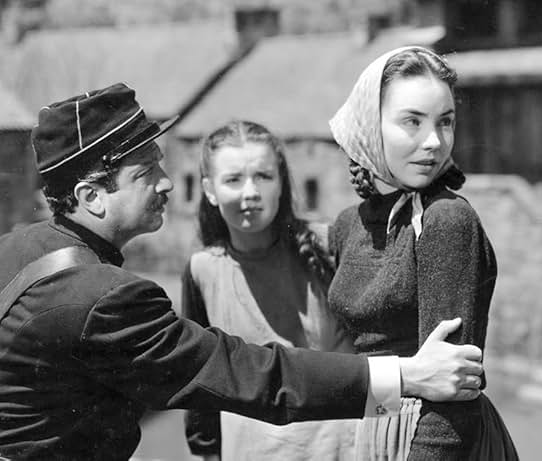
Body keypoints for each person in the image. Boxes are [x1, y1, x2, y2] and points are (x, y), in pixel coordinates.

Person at [0, 83, 486, 460]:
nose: (169, 184)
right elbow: (245, 371)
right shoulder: (103, 296)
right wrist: (407, 375)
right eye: (147, 173)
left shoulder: (15, 250)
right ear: (90, 198)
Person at [328, 46, 519, 460]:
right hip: (371, 429)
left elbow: (455, 391)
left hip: (434, 439)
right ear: (369, 125)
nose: (434, 142)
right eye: (412, 121)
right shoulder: (348, 225)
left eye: (445, 122)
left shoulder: (445, 221)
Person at [181, 120, 356, 460]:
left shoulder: (329, 244)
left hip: (338, 449)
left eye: (263, 176)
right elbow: (200, 381)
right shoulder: (202, 270)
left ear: (281, 184)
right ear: (209, 189)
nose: (250, 192)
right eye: (233, 179)